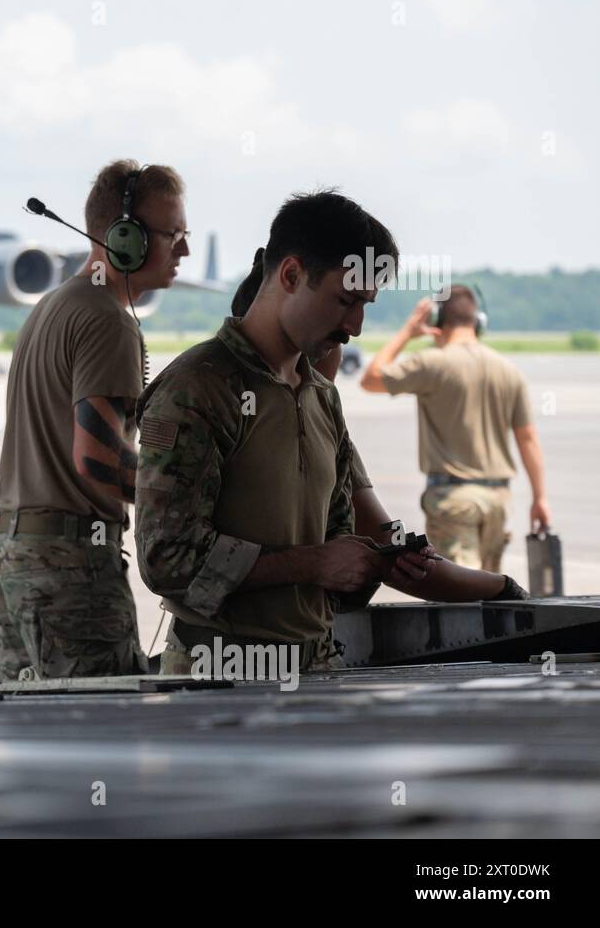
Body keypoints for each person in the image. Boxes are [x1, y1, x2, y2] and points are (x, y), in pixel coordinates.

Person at [135, 190, 433, 676]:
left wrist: (372, 564)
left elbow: (336, 534)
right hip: (219, 679)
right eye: (345, 300)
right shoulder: (199, 387)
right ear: (292, 275)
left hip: (315, 668)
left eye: (365, 305)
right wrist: (314, 565)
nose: (354, 326)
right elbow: (166, 559)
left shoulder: (322, 397)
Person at [0, 160, 189, 682]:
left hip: (16, 554)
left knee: (35, 742)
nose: (184, 251)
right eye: (174, 235)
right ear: (127, 239)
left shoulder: (52, 305)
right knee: (100, 734)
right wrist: (181, 498)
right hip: (69, 571)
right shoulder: (106, 318)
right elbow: (97, 456)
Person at [229, 264, 528, 604]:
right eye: (330, 342)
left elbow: (386, 539)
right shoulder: (228, 404)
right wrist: (502, 588)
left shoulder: (314, 419)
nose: (338, 350)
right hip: (254, 645)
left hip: (286, 641)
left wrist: (402, 550)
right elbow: (386, 542)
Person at [360, 287, 548, 572]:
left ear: (436, 320)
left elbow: (371, 379)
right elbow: (528, 438)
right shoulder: (509, 370)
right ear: (478, 321)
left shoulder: (432, 363)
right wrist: (540, 498)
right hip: (498, 500)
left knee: (462, 598)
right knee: (489, 592)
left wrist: (407, 333)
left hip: (454, 500)